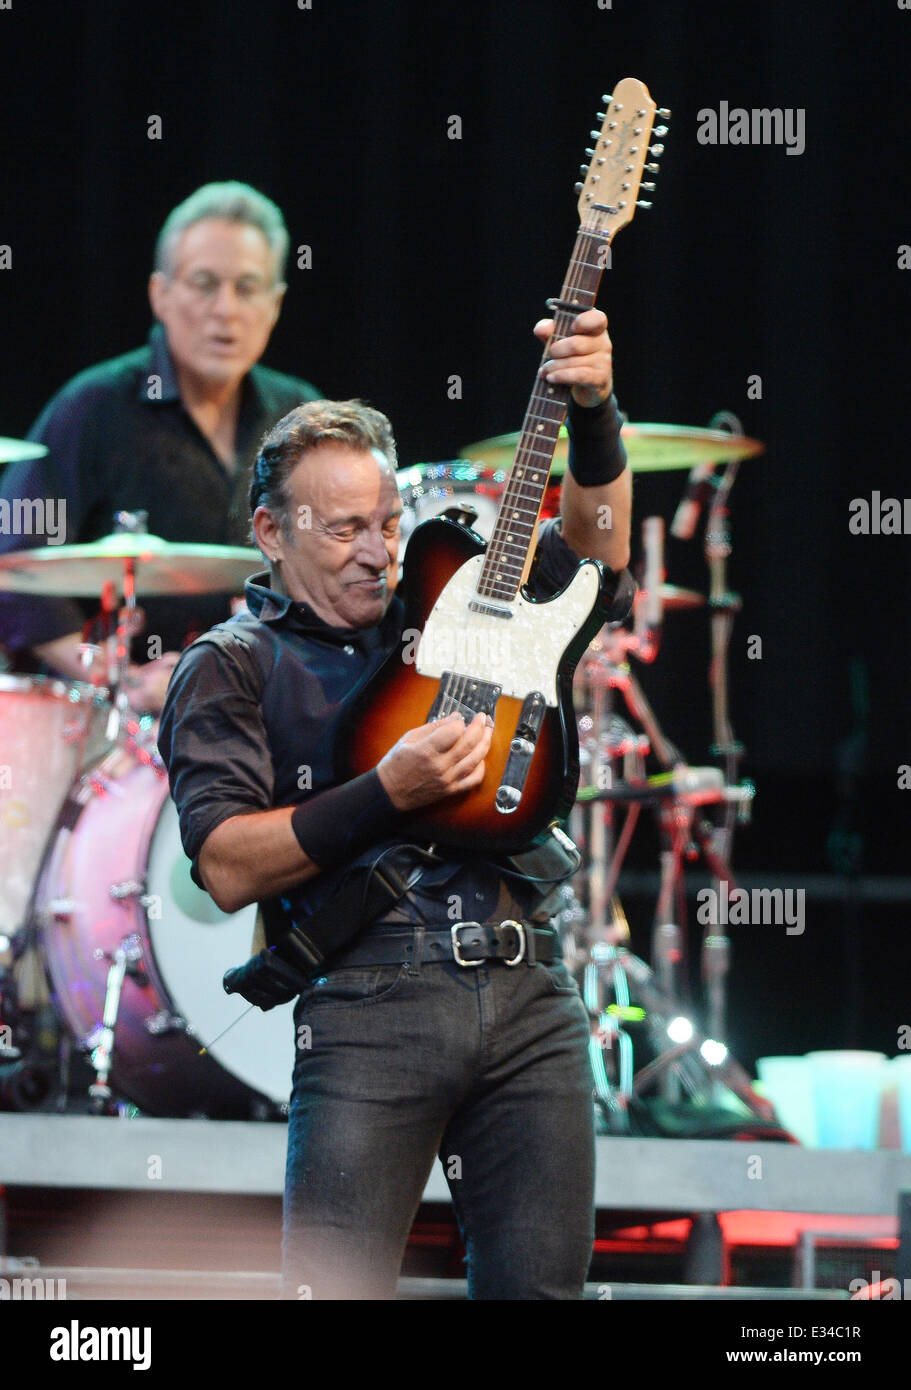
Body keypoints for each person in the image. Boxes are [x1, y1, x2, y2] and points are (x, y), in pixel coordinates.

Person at [158, 308, 634, 1300]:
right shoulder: (231, 665)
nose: (376, 551)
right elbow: (227, 864)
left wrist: (593, 418)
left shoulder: (446, 600)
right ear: (269, 531)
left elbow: (592, 565)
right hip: (368, 1006)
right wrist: (389, 791)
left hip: (529, 989)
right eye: (342, 530)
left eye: (384, 522)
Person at [0, 181, 320, 713]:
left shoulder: (298, 416)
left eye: (248, 287)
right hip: (115, 720)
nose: (226, 309)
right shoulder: (94, 407)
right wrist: (110, 673)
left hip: (264, 712)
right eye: (204, 284)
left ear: (276, 304)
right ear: (160, 294)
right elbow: (13, 564)